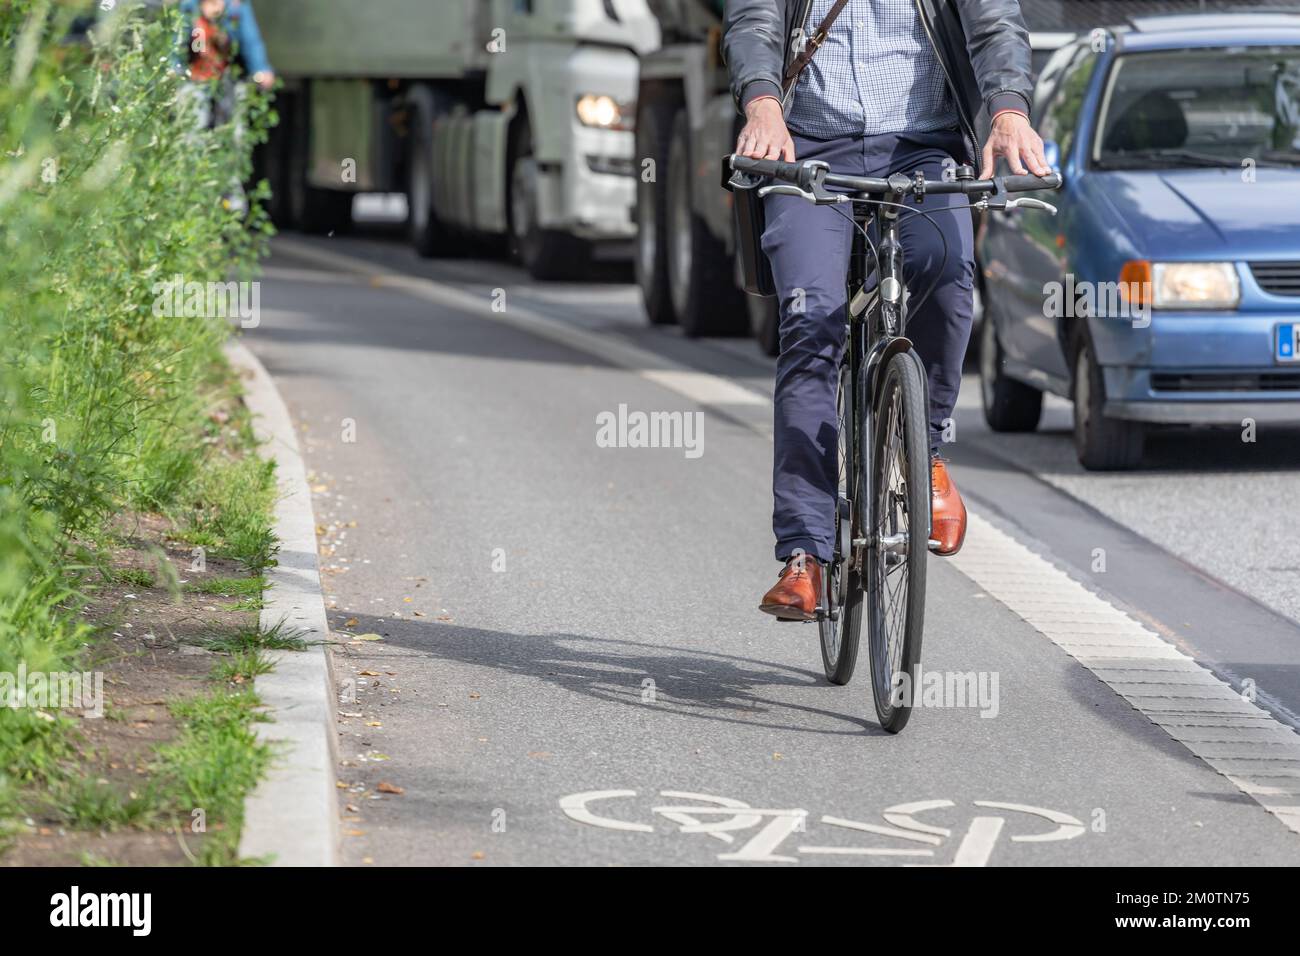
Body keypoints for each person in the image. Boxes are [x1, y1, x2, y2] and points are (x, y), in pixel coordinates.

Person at [723, 0, 1050, 620]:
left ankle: (922, 458)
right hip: (806, 146)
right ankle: (804, 556)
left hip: (923, 149)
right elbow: (754, 19)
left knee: (949, 269)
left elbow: (995, 23)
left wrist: (1008, 109)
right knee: (811, 316)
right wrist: (763, 102)